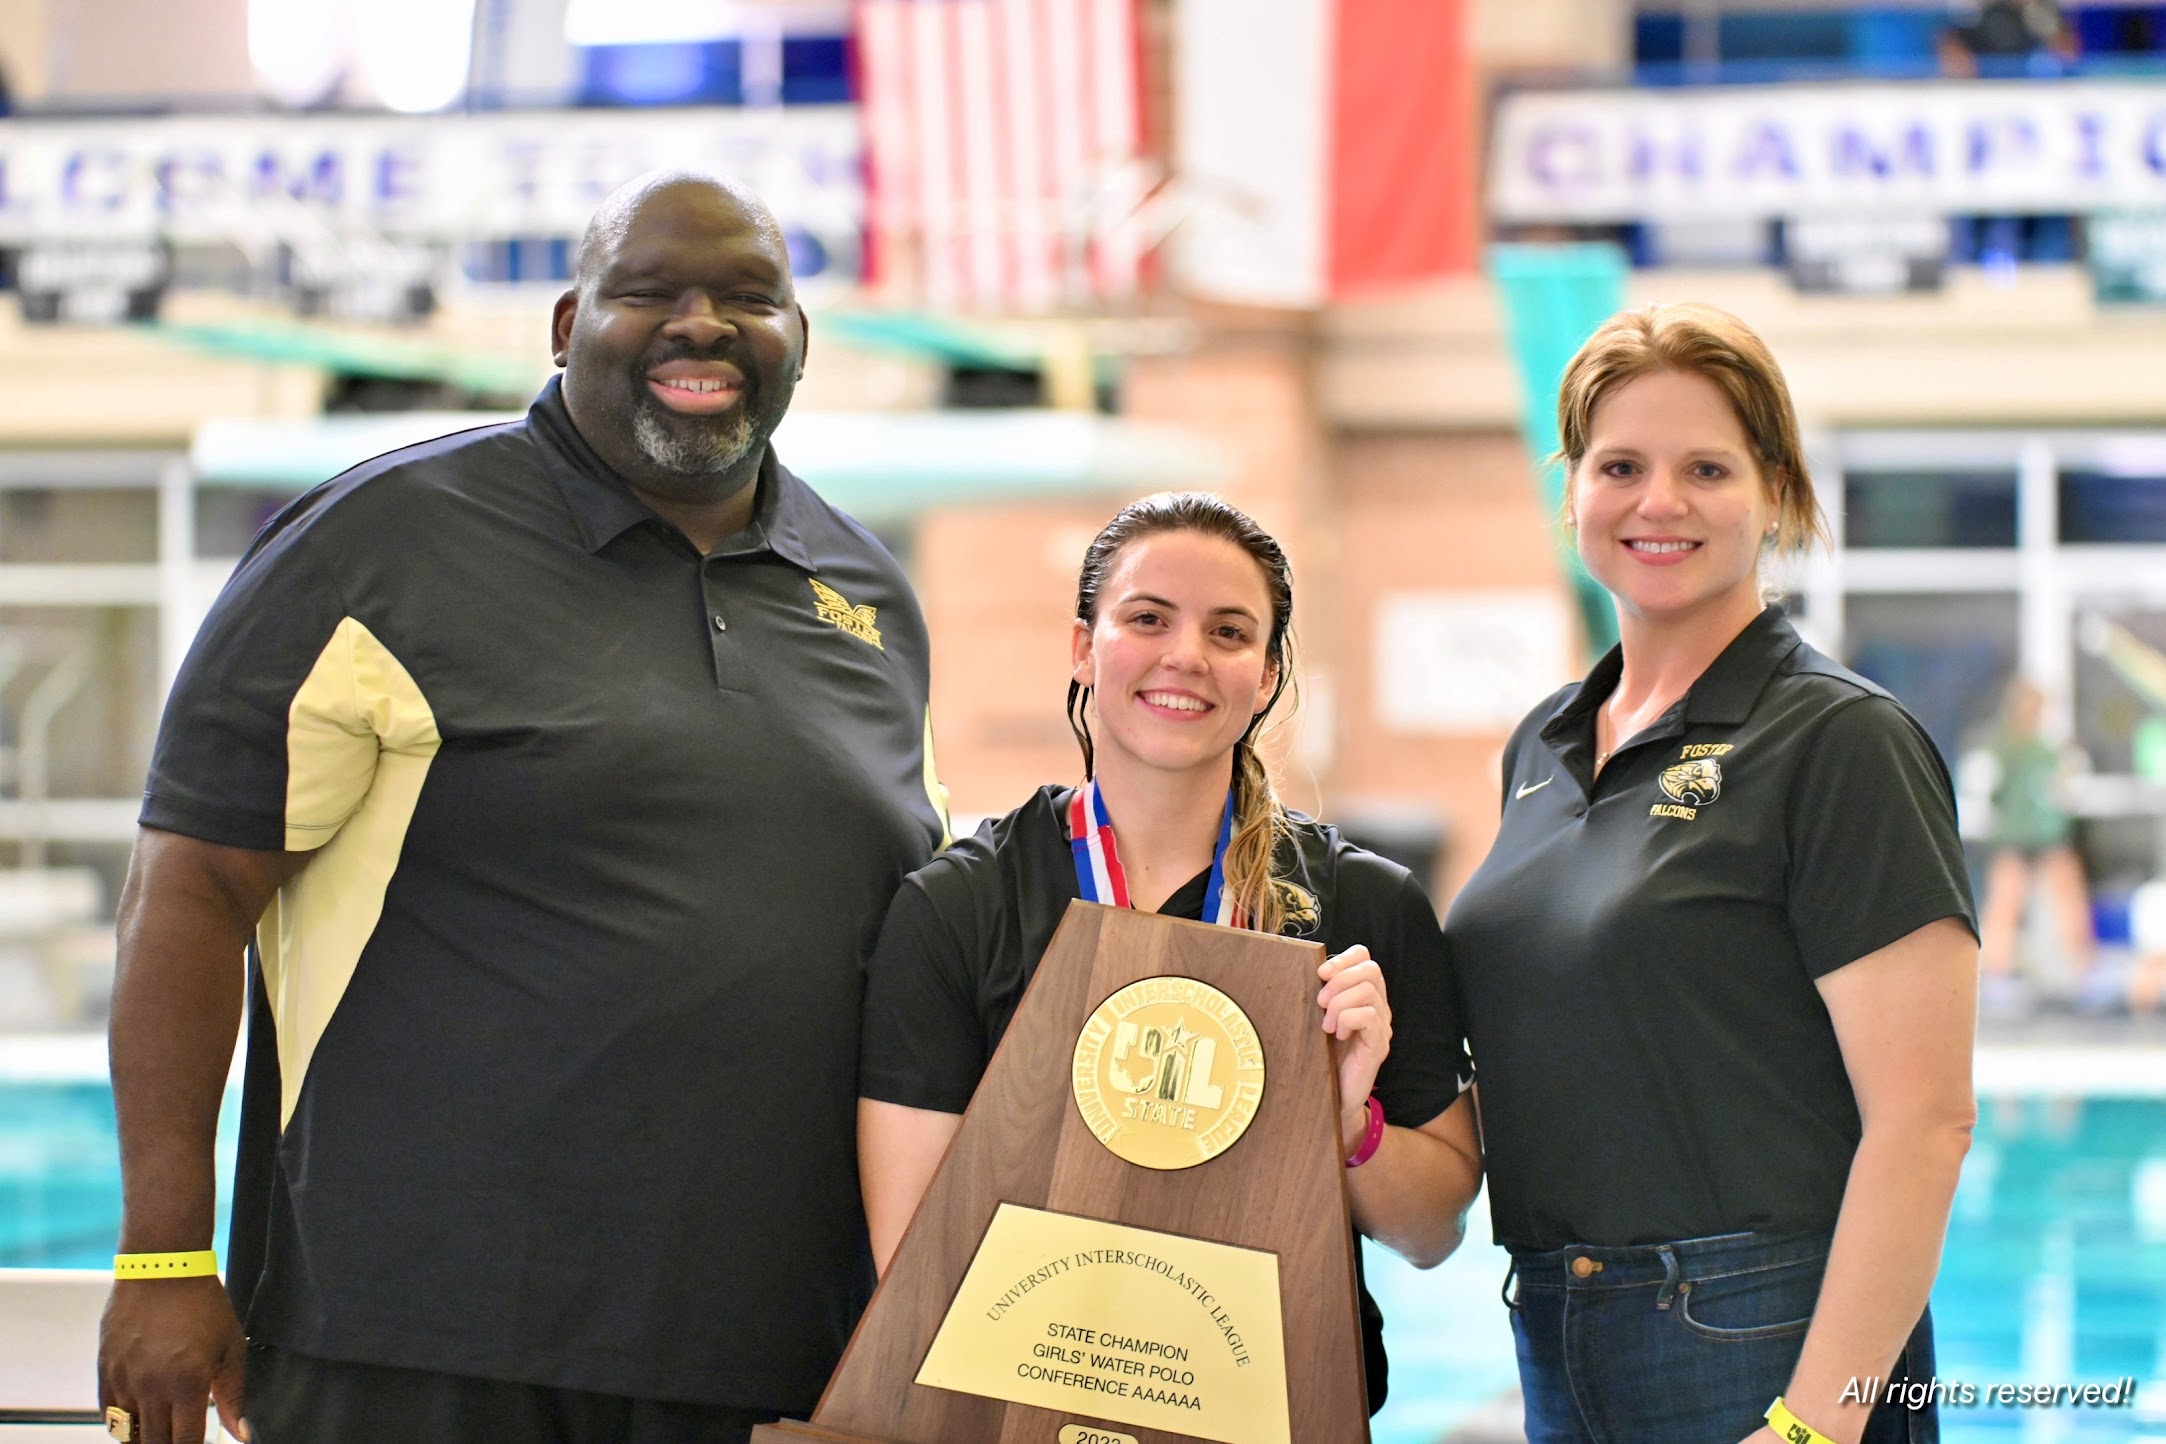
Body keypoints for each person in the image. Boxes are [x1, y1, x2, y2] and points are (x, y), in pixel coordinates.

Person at [96, 172, 951, 1444]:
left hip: (773, 1354)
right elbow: (190, 885)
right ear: (566, 325)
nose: (702, 325)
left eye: (749, 297)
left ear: (801, 342)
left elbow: (911, 936)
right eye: (649, 292)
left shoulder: (866, 593)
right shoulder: (378, 541)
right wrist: (165, 1256)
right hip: (417, 1343)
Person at [1445, 304, 1979, 1444]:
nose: (1659, 502)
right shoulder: (1542, 742)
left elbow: (1926, 1120)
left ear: (1777, 491)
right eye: (1620, 464)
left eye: (1706, 467)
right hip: (1557, 1321)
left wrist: (1812, 1426)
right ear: (1574, 489)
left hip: (1761, 1330)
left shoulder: (1837, 741)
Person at [855, 492, 1483, 1414]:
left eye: (1229, 632)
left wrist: (1342, 1125)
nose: (1185, 655)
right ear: (1083, 648)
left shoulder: (1361, 908)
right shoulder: (960, 908)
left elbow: (1432, 1233)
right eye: (1148, 619)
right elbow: (911, 1259)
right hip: (1012, 1412)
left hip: (1267, 1412)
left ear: (1266, 675)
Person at [1962, 677, 2098, 1015]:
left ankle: (2083, 971)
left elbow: (2065, 790)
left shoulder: (2048, 749)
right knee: (2006, 902)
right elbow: (1980, 786)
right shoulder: (1999, 748)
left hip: (2050, 837)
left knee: (2068, 897)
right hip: (2013, 836)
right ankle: (1996, 975)